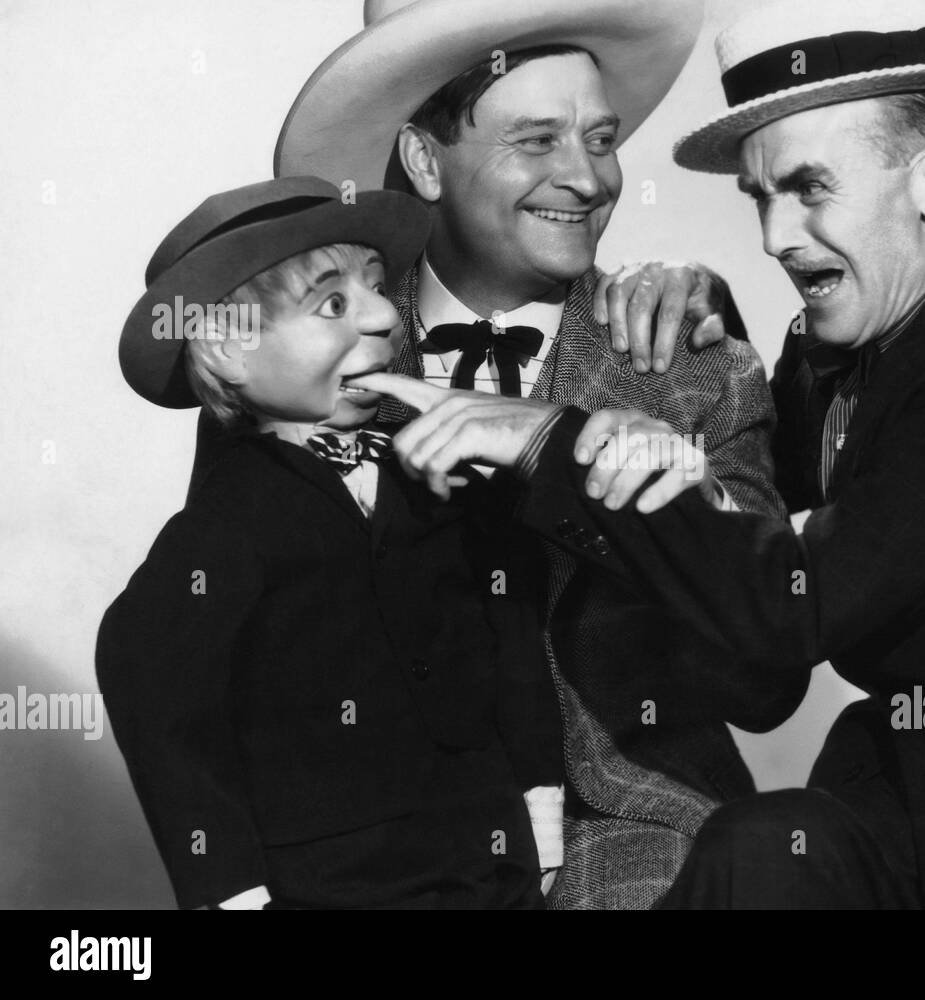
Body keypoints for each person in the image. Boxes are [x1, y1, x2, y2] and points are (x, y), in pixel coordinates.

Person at [359, 0, 925, 908]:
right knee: (765, 849)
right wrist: (710, 319)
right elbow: (747, 504)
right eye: (760, 197)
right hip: (900, 817)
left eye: (810, 189)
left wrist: (552, 441)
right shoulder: (835, 350)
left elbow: (787, 606)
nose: (773, 238)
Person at [272, 0, 799, 908]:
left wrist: (635, 485)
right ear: (423, 161)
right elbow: (240, 649)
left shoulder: (695, 363)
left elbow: (766, 678)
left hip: (646, 852)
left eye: (600, 139)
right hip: (389, 859)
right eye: (537, 140)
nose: (587, 179)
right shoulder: (302, 369)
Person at [98, 177, 559, 909]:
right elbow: (150, 683)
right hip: (333, 885)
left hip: (488, 856)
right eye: (334, 304)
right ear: (231, 348)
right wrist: (230, 887)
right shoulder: (227, 526)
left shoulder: (437, 473)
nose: (384, 315)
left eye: (376, 287)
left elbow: (510, 626)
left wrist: (538, 796)